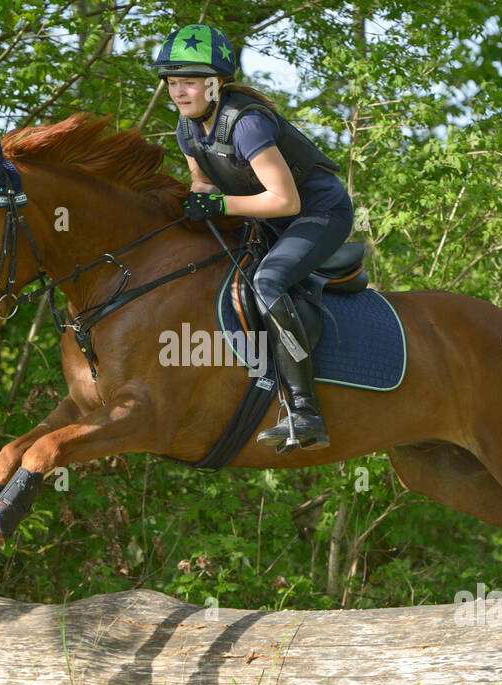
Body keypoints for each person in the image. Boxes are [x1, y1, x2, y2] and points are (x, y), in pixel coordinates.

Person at [152, 23, 354, 452]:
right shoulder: (187, 129)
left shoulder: (246, 124)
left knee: (267, 282)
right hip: (267, 221)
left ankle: (305, 410)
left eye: (188, 82)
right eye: (172, 83)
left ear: (215, 83)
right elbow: (203, 183)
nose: (178, 92)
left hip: (317, 214)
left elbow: (285, 201)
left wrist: (220, 206)